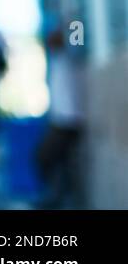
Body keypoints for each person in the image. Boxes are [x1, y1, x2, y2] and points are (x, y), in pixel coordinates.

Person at [35, 28, 85, 208]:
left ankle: (57, 198)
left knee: (43, 156)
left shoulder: (67, 61)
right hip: (62, 121)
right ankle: (60, 197)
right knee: (59, 163)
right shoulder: (58, 62)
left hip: (68, 122)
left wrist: (74, 23)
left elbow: (77, 41)